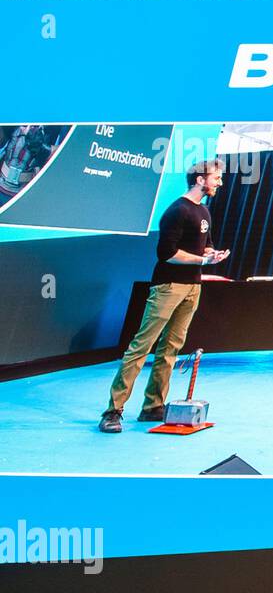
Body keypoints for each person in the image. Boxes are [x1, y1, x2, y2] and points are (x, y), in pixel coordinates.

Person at [98, 160, 230, 433]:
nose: (219, 182)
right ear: (199, 179)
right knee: (141, 347)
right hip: (168, 286)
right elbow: (167, 254)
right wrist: (201, 261)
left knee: (170, 348)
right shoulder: (176, 211)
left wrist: (211, 255)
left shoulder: (204, 211)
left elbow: (204, 247)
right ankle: (113, 410)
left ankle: (152, 407)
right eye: (215, 177)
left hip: (193, 287)